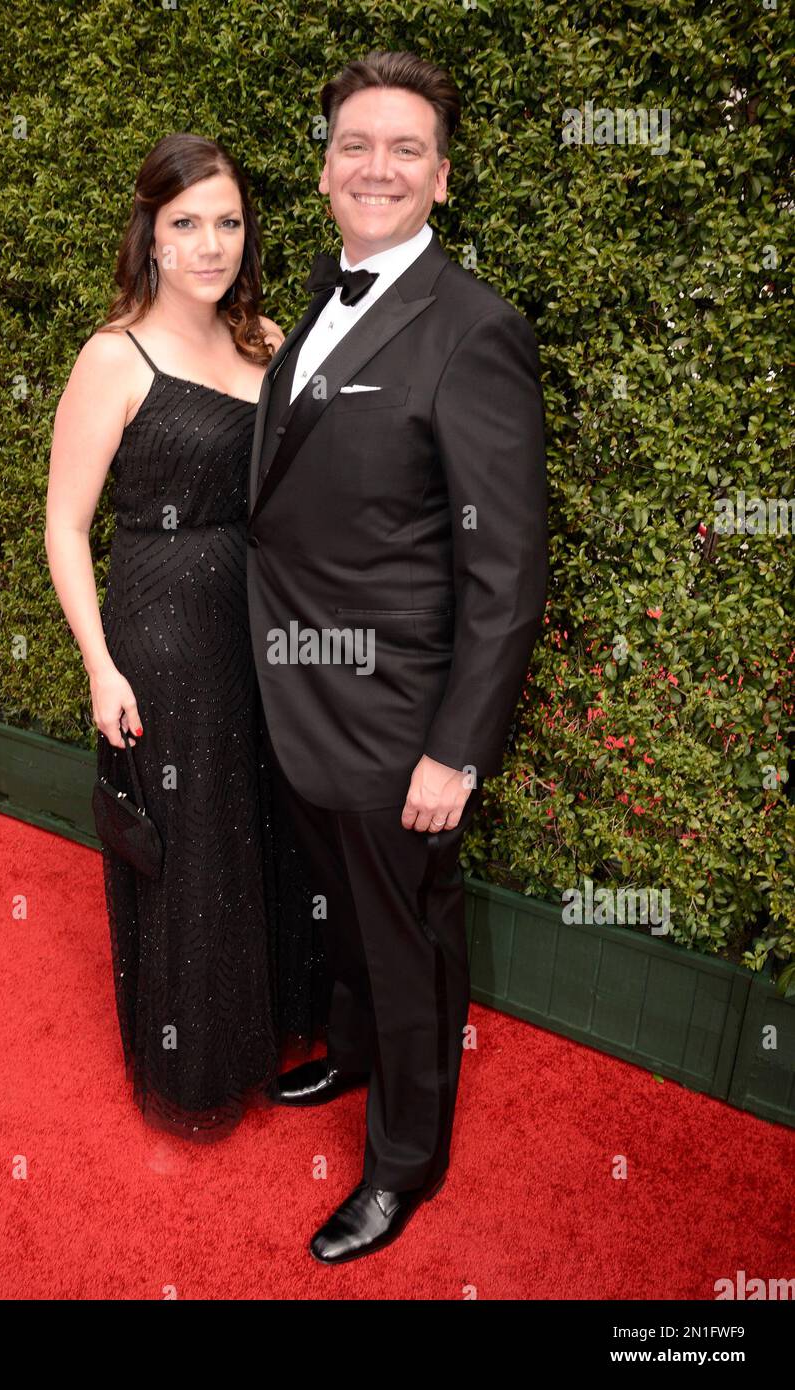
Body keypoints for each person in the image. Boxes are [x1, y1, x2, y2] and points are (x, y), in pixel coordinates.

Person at [246, 52, 549, 1261]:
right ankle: (356, 1052)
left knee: (407, 933)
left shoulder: (477, 331)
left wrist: (456, 754)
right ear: (325, 167)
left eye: (405, 148)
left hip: (395, 712)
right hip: (295, 683)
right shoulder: (321, 293)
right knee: (347, 914)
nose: (378, 166)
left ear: (442, 177)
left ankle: (404, 1164)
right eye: (356, 144)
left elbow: (507, 570)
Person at [46, 133, 327, 1142]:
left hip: (261, 617)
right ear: (152, 236)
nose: (209, 243)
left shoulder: (267, 337)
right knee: (193, 843)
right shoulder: (114, 355)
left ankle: (273, 1021)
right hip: (163, 632)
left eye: (228, 221)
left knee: (266, 819)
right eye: (186, 223)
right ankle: (194, 1063)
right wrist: (99, 666)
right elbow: (65, 526)